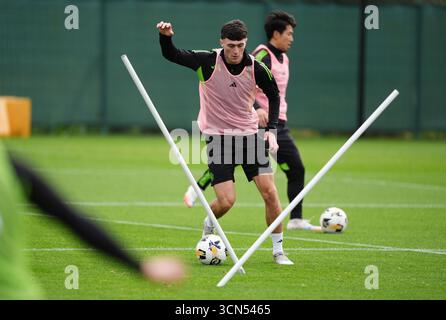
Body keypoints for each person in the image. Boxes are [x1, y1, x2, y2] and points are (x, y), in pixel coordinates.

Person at [157, 19, 293, 265]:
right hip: (219, 139)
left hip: (251, 137)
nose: (235, 51)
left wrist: (271, 130)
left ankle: (278, 250)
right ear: (222, 43)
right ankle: (209, 224)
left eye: (240, 45)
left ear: (245, 44)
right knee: (227, 201)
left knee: (270, 193)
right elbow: (172, 55)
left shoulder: (256, 68)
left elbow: (273, 94)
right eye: (230, 45)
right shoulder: (207, 61)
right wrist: (166, 37)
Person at [183, 11, 319, 231]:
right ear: (276, 34)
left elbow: (273, 94)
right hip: (252, 124)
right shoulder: (261, 56)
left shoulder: (284, 58)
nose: (292, 38)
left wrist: (273, 125)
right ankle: (198, 188)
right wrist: (257, 109)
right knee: (229, 167)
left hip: (276, 122)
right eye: (289, 34)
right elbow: (245, 90)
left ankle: (293, 221)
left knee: (289, 173)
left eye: (240, 45)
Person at [0, 141, 185, 299]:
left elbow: (72, 219)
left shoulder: (11, 169)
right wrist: (141, 266)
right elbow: (73, 219)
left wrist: (140, 266)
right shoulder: (11, 167)